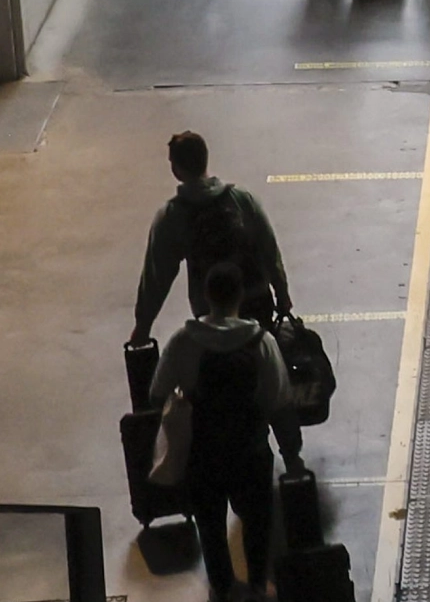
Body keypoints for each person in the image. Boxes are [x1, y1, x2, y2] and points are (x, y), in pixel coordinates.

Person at [129, 130, 305, 479]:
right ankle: (292, 459)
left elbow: (157, 275)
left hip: (210, 320)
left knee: (219, 388)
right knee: (271, 381)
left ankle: (226, 452)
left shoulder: (174, 216)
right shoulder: (241, 200)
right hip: (257, 307)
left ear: (176, 169)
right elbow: (269, 248)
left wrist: (143, 324)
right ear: (205, 160)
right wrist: (281, 292)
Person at [152, 262, 292, 602]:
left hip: (204, 451)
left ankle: (223, 591)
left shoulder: (184, 341)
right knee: (257, 521)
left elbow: (157, 391)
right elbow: (279, 400)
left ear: (204, 297)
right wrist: (291, 449)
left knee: (210, 522)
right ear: (240, 297)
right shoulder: (261, 342)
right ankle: (258, 588)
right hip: (250, 450)